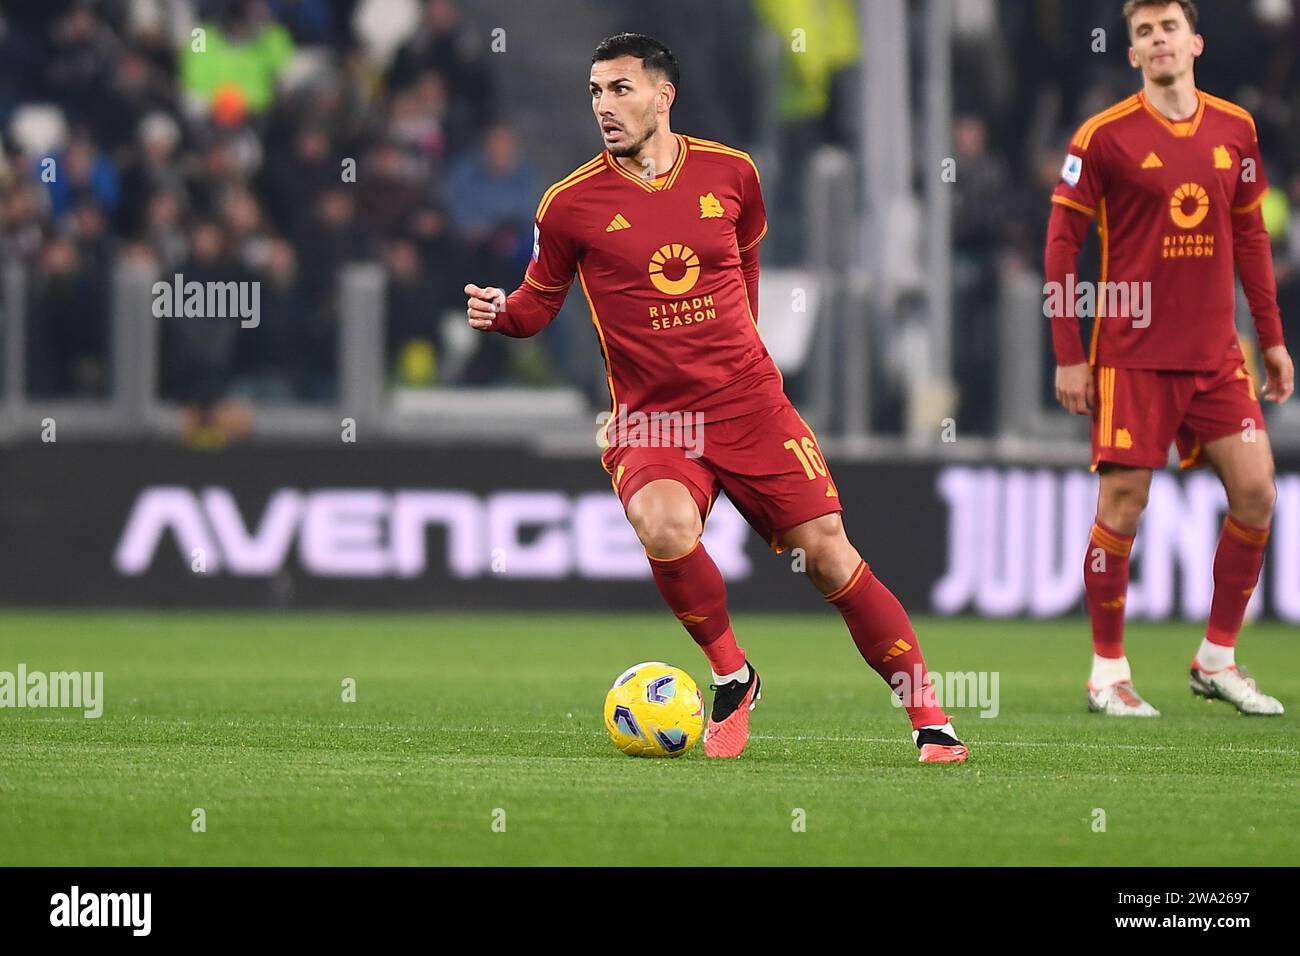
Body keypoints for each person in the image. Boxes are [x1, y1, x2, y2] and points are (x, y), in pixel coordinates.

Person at [464, 33, 967, 762]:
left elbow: (747, 260)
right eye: (596, 93)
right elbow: (539, 304)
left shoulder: (732, 173)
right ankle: (733, 674)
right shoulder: (569, 205)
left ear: (664, 96)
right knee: (662, 526)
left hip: (750, 406)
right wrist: (500, 313)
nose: (605, 106)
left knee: (828, 555)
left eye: (621, 89)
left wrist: (746, 355)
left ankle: (931, 719)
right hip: (654, 419)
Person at [1045, 0, 1294, 716]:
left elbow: (1251, 239)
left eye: (1168, 29)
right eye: (1144, 32)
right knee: (1123, 506)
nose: (1158, 40)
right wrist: (1070, 354)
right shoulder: (1103, 138)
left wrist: (1271, 338)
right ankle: (1106, 672)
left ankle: (1217, 658)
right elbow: (1062, 246)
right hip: (1132, 355)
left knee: (1256, 493)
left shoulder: (1236, 131)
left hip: (1218, 354)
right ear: (1132, 54)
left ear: (1195, 43)